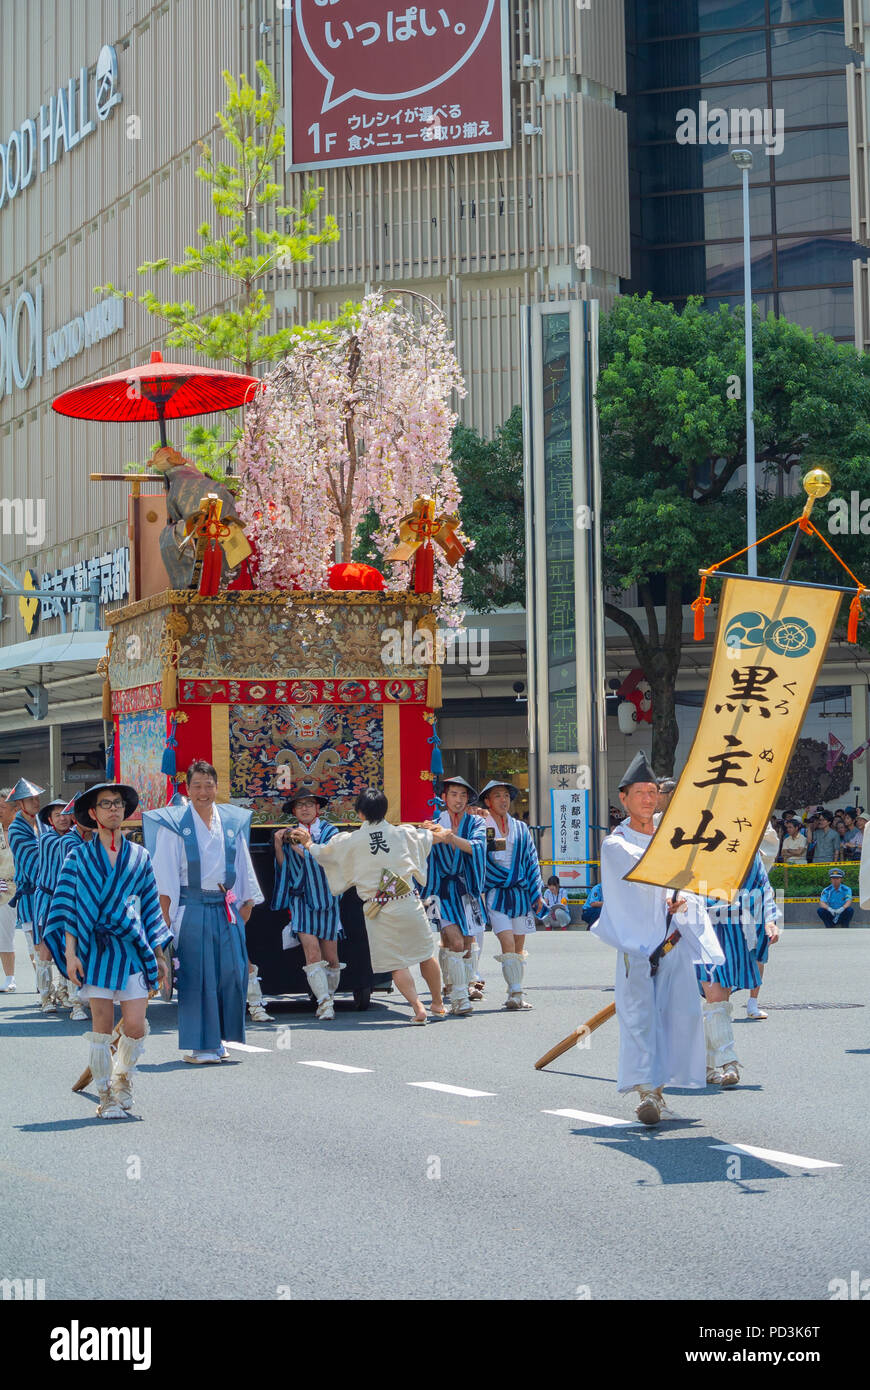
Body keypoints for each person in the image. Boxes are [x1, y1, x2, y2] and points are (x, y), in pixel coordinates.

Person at [592, 751, 724, 1126]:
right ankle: (647, 1092)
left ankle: (661, 1089)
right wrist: (671, 889)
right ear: (624, 798)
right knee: (639, 1019)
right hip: (639, 949)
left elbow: (690, 880)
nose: (648, 799)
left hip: (675, 944)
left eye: (653, 792)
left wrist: (686, 900)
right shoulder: (615, 844)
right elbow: (640, 881)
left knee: (678, 1017)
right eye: (640, 792)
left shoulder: (675, 838)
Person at [42, 783, 171, 1119]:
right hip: (94, 949)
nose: (114, 809)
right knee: (102, 1024)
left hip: (131, 947)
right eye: (106, 804)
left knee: (136, 1024)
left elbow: (151, 910)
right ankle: (105, 1095)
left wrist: (159, 954)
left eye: (118, 804)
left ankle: (123, 1078)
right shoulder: (78, 857)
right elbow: (69, 909)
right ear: (93, 813)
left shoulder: (140, 856)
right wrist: (71, 955)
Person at [293, 786, 452, 1025]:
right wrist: (438, 830)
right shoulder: (404, 833)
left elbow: (324, 854)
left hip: (377, 908)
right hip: (407, 901)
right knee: (425, 955)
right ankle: (437, 1003)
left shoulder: (351, 840)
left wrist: (307, 844)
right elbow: (440, 837)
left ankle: (418, 1006)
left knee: (397, 963)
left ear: (360, 813)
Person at [147, 760, 264, 1064]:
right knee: (198, 977)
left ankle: (220, 1039)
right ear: (188, 789)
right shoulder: (175, 825)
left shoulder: (231, 822)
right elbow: (165, 878)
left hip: (226, 907)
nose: (203, 791)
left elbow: (242, 866)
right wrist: (165, 921)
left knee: (231, 974)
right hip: (192, 906)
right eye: (196, 785)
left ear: (216, 787)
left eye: (208, 785)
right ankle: (201, 1045)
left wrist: (245, 903)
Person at [699, 852, 781, 1075]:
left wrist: (770, 920)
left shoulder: (748, 846)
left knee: (718, 998)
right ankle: (729, 1061)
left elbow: (764, 886)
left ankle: (705, 1064)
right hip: (698, 926)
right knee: (715, 996)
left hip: (737, 930)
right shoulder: (692, 840)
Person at [273, 785, 347, 1022]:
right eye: (299, 805)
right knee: (312, 951)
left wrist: (305, 848)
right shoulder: (289, 833)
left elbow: (332, 861)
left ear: (317, 808)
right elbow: (284, 867)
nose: (304, 809)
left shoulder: (330, 832)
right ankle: (324, 1003)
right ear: (294, 811)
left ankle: (329, 996)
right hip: (301, 898)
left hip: (327, 899)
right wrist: (278, 844)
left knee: (332, 958)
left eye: (309, 804)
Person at [421, 776, 486, 1016]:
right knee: (455, 941)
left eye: (463, 795)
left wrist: (450, 838)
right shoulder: (433, 822)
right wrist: (431, 834)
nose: (458, 800)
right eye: (453, 794)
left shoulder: (476, 823)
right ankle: (460, 998)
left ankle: (452, 985)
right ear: (444, 797)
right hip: (438, 890)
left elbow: (478, 847)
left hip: (466, 890)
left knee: (467, 945)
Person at [478, 780, 545, 1011]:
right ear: (488, 801)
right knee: (506, 941)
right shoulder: (481, 825)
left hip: (520, 894)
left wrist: (537, 892)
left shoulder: (520, 827)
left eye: (506, 795)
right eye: (497, 796)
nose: (503, 800)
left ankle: (515, 992)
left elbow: (531, 860)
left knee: (518, 945)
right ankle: (515, 992)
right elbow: (479, 858)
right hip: (496, 893)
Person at [5, 779, 45, 1007]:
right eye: (31, 799)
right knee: (35, 945)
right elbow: (35, 862)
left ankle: (50, 988)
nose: (36, 801)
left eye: (37, 797)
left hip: (47, 892)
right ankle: (44, 990)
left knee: (48, 943)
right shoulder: (17, 829)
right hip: (31, 893)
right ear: (20, 803)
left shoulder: (40, 822)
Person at [0, 790, 18, 992]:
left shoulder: (28, 830)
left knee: (33, 936)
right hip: (3, 887)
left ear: (15, 809)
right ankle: (10, 977)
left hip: (28, 887)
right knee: (4, 935)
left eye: (3, 807)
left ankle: (42, 981)